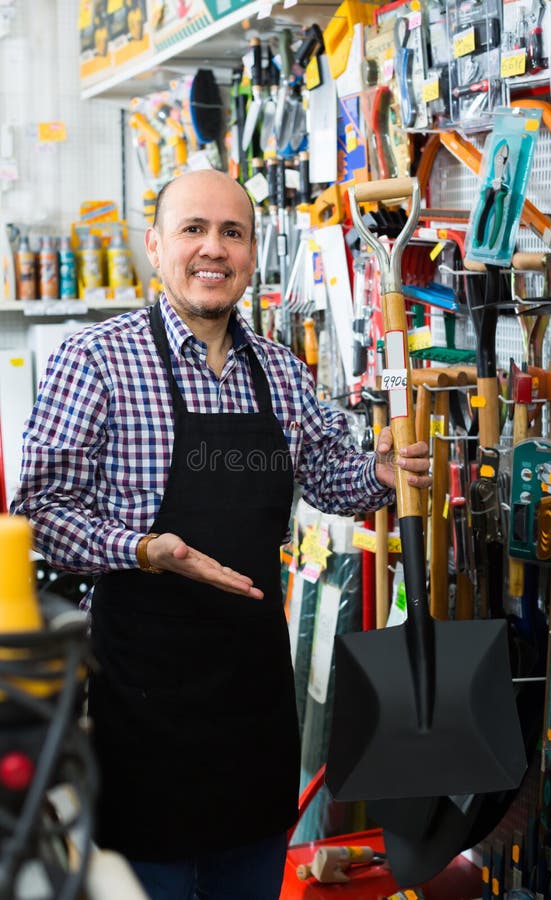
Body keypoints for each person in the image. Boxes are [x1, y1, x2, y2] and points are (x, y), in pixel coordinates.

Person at [12, 170, 430, 900]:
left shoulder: (278, 371)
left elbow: (335, 481)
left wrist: (384, 474)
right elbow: (40, 510)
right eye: (194, 229)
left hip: (252, 712)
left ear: (250, 252)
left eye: (232, 233)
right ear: (155, 245)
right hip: (144, 714)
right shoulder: (97, 360)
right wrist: (144, 549)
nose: (214, 249)